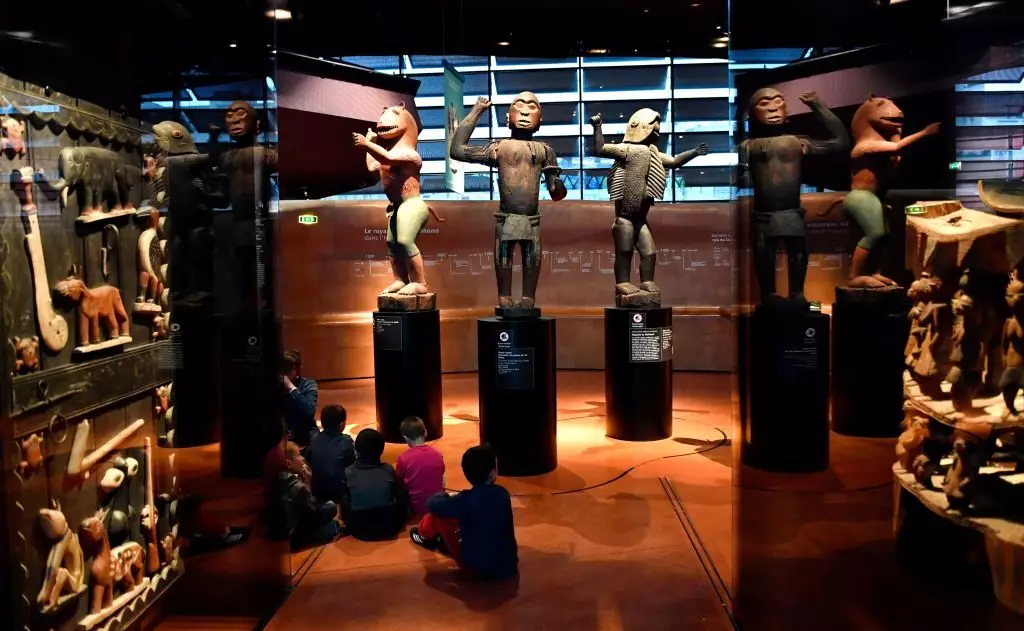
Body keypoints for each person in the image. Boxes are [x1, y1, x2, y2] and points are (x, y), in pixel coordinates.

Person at [410, 445, 518, 580]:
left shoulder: (464, 500)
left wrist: (443, 494)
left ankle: (423, 537)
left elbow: (432, 504)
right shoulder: (503, 493)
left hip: (477, 570)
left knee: (435, 517)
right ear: (492, 473)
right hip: (508, 567)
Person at [269, 441, 341, 548]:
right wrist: (309, 482)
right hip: (293, 536)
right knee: (330, 507)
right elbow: (311, 507)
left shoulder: (277, 476)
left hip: (278, 530)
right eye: (298, 455)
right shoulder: (293, 484)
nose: (303, 458)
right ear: (288, 463)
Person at [342, 428, 404, 540]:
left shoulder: (348, 472)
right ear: (381, 450)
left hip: (359, 530)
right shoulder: (388, 469)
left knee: (344, 497)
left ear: (356, 450)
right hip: (389, 527)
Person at [394, 417, 445, 518]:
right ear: (425, 432)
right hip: (438, 505)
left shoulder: (403, 458)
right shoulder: (438, 454)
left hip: (416, 509)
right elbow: (441, 476)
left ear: (405, 437)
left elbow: (398, 482)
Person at [306, 404, 356, 503]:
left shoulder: (313, 437)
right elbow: (353, 463)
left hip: (317, 491)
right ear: (341, 424)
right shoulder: (346, 440)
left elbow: (308, 459)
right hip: (340, 493)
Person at [280, 350, 318, 447]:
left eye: (289, 370)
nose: (286, 374)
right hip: (281, 433)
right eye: (283, 370)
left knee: (317, 440)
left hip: (305, 432)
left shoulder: (308, 384)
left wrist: (291, 388)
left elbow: (309, 412)